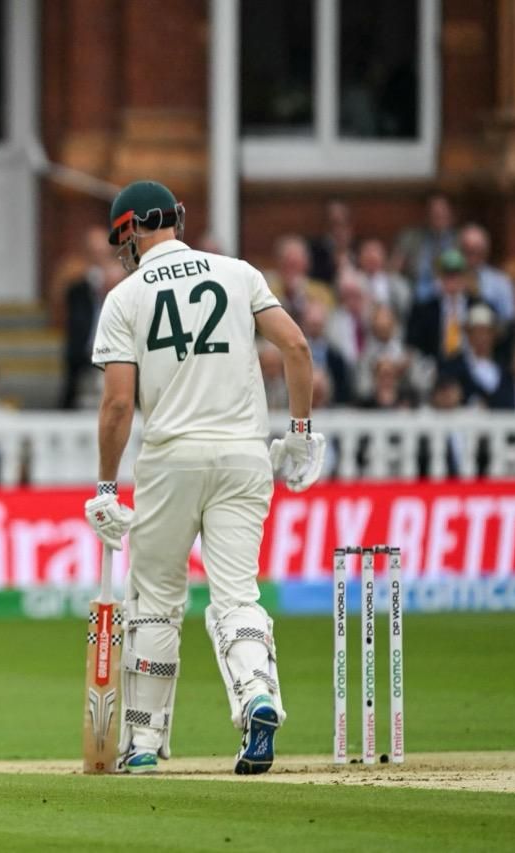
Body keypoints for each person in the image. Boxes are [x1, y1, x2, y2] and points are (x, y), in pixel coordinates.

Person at [83, 180, 321, 776]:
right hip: (244, 457)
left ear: (130, 231)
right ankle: (258, 698)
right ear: (177, 220)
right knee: (237, 595)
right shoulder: (238, 272)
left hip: (171, 461)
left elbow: (116, 407)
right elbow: (294, 344)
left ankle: (141, 744)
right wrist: (297, 431)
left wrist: (107, 488)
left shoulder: (125, 296)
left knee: (157, 601)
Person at [60, 227, 118, 409]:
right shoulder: (75, 275)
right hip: (83, 348)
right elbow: (60, 297)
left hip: (114, 347)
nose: (98, 254)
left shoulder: (122, 276)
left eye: (102, 249)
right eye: (94, 249)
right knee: (74, 397)